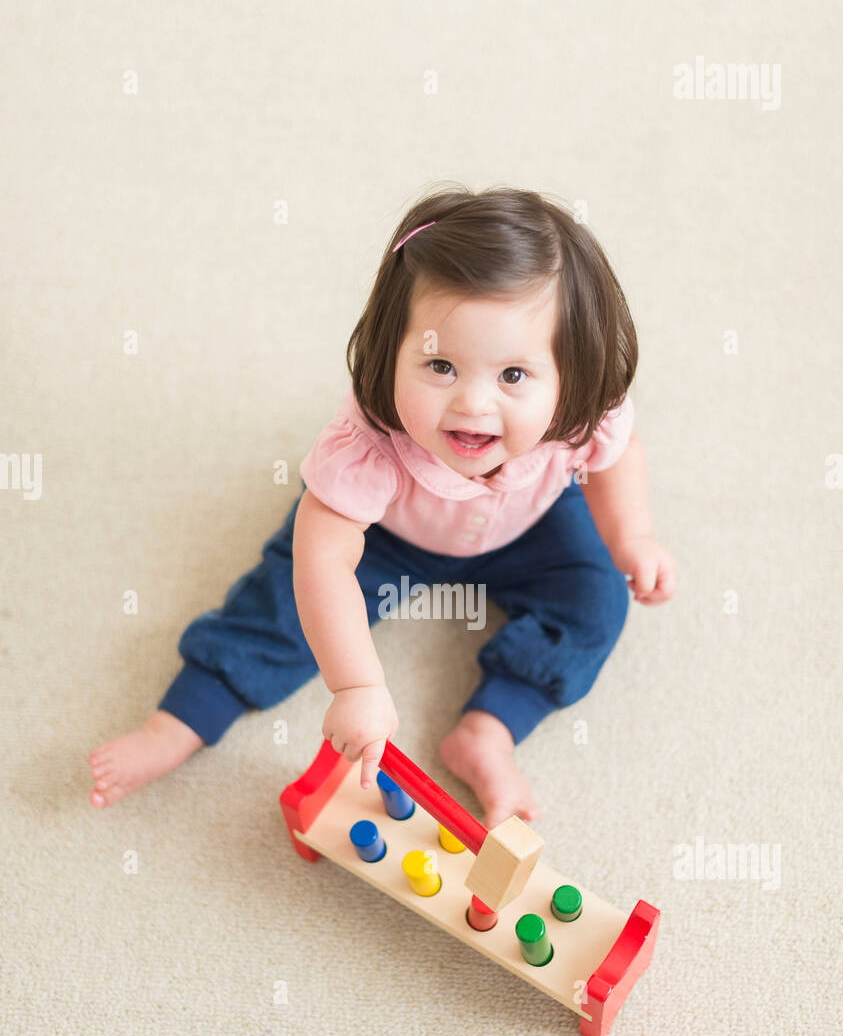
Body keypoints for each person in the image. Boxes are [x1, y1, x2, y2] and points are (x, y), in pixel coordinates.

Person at [89, 185, 677, 828]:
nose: (474, 405)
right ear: (388, 347)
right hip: (388, 537)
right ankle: (181, 718)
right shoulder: (366, 442)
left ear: (570, 375)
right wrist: (357, 687)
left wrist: (633, 537)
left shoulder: (576, 416)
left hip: (530, 529)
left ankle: (490, 729)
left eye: (513, 376)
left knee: (597, 603)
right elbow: (324, 562)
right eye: (441, 365)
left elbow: (618, 458)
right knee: (286, 604)